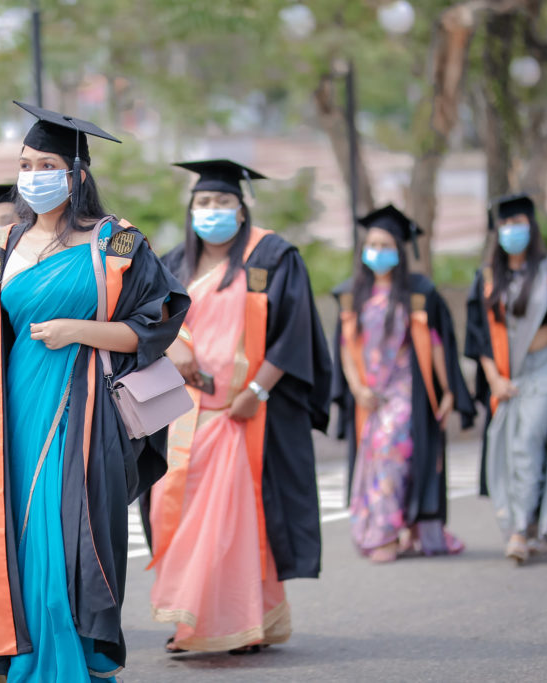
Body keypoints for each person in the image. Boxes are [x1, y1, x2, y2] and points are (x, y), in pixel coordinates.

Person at [0, 101, 190, 681]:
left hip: (84, 415)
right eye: (26, 165)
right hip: (9, 416)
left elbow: (157, 324)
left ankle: (75, 665)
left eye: (46, 164)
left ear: (78, 174)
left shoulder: (116, 243)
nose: (33, 177)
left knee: (69, 545)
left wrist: (76, 331)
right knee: (19, 543)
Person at [146, 159, 332, 654]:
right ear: (191, 209)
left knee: (234, 520)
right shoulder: (172, 264)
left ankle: (239, 622)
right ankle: (193, 618)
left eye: (223, 201)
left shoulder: (272, 256)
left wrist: (258, 392)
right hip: (181, 415)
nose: (213, 211)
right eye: (204, 202)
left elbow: (296, 334)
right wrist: (173, 348)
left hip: (241, 414)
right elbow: (148, 326)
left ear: (242, 207)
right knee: (175, 511)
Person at [332, 205, 474, 563]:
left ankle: (386, 535)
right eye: (372, 244)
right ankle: (391, 529)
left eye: (386, 244)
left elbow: (437, 344)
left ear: (399, 249)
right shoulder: (353, 294)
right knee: (373, 461)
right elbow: (346, 349)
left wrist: (447, 391)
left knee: (391, 454)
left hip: (405, 393)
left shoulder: (419, 293)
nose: (378, 251)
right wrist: (357, 389)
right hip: (369, 394)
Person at [465, 193, 547, 564]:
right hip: (506, 374)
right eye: (504, 224)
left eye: (517, 223)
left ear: (531, 227)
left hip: (545, 368)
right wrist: (494, 379)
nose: (510, 230)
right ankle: (526, 524)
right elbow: (478, 335)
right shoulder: (487, 279)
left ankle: (520, 529)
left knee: (529, 444)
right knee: (508, 447)